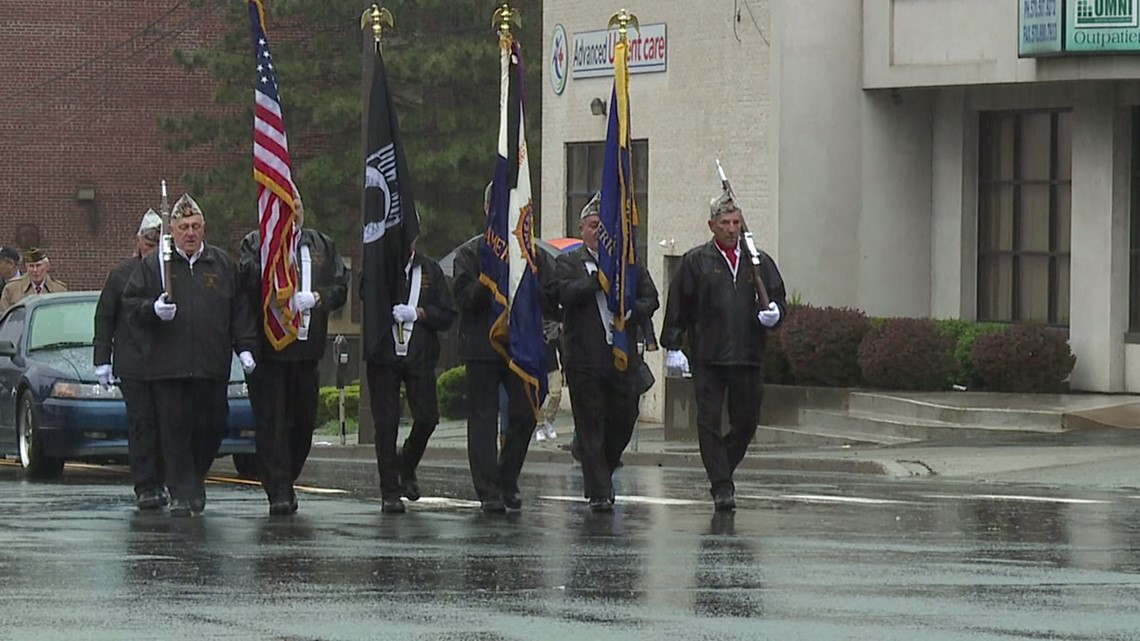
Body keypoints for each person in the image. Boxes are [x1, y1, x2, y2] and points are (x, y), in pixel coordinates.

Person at [122, 194, 257, 517]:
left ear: (204, 228)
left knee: (211, 426)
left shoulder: (221, 264)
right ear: (172, 229)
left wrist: (246, 346)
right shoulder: (156, 265)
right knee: (175, 431)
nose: (190, 233)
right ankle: (184, 490)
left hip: (211, 366)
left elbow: (238, 310)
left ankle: (193, 478)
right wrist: (153, 309)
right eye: (183, 227)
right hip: (168, 368)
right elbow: (130, 306)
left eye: (196, 226)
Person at [660, 188, 787, 512]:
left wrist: (775, 313)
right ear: (712, 225)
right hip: (709, 357)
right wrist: (674, 345)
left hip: (748, 355)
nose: (732, 229)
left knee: (746, 423)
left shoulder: (758, 261)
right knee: (708, 423)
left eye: (736, 222)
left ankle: (722, 470)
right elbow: (678, 305)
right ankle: (721, 486)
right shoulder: (695, 262)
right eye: (725, 222)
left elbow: (777, 298)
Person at [239, 194, 348, 516]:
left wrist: (316, 297)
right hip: (269, 352)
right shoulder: (255, 242)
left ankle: (287, 477)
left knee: (302, 424)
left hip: (306, 351)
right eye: (286, 209)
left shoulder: (322, 244)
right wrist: (274, 255)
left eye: (297, 208)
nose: (293, 214)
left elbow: (341, 287)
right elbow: (245, 281)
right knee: (272, 424)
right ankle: (278, 491)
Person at [451, 182, 557, 512]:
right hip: (482, 347)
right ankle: (488, 490)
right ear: (488, 211)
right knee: (483, 419)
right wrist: (490, 277)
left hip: (520, 347)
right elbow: (465, 300)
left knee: (525, 414)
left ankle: (507, 478)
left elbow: (552, 296)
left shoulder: (533, 255)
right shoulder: (470, 253)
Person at [556, 192, 659, 511]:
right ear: (582, 228)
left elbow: (651, 297)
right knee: (590, 421)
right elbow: (562, 295)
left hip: (621, 355)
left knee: (624, 417)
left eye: (604, 227)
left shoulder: (628, 262)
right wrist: (595, 282)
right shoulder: (569, 262)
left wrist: (632, 310)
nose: (597, 232)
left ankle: (602, 465)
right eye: (592, 226)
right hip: (585, 357)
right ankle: (599, 490)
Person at [365, 239, 456, 514]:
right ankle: (390, 491)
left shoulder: (429, 269)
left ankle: (406, 465)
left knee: (428, 418)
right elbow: (363, 294)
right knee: (387, 424)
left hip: (419, 357)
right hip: (383, 357)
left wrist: (419, 313)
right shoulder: (378, 266)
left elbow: (447, 314)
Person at [93, 209, 166, 510]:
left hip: (166, 362)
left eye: (157, 247)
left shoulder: (171, 273)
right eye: (148, 246)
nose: (151, 253)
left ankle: (165, 480)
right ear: (138, 242)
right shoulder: (121, 275)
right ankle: (146, 485)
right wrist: (102, 359)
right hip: (133, 361)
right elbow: (105, 318)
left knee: (168, 425)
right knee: (142, 424)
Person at [0, 247, 67, 314]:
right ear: (26, 268)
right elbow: (3, 318)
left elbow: (65, 316)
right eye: (31, 266)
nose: (35, 270)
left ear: (47, 266)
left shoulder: (59, 289)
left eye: (38, 265)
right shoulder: (11, 289)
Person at [535, 317, 562, 443]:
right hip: (536, 365)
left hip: (552, 364)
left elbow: (561, 344)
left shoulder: (554, 325)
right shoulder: (532, 322)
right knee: (537, 397)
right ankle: (539, 426)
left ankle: (548, 421)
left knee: (556, 393)